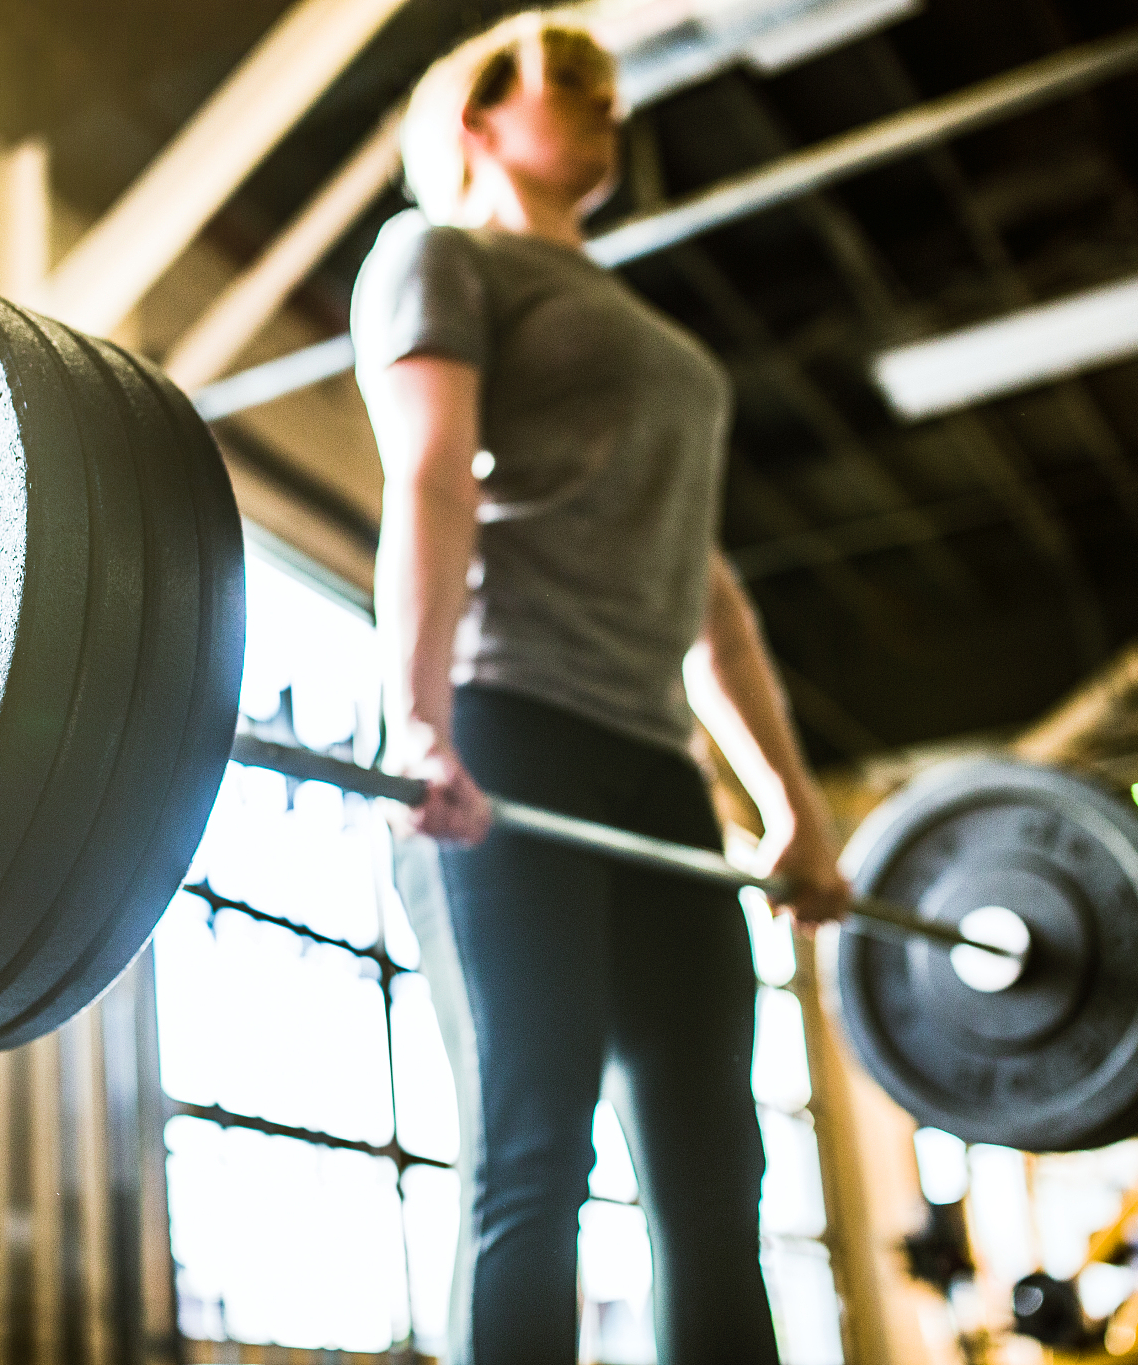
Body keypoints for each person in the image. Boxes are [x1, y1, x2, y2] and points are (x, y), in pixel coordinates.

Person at [350, 11, 853, 1363]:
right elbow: (430, 477)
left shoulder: (640, 328)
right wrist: (419, 722)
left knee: (719, 1175)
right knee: (535, 1147)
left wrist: (794, 808)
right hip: (505, 731)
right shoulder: (438, 255)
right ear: (476, 120)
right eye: (566, 86)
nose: (603, 108)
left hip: (654, 762)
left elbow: (710, 594)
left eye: (609, 91)